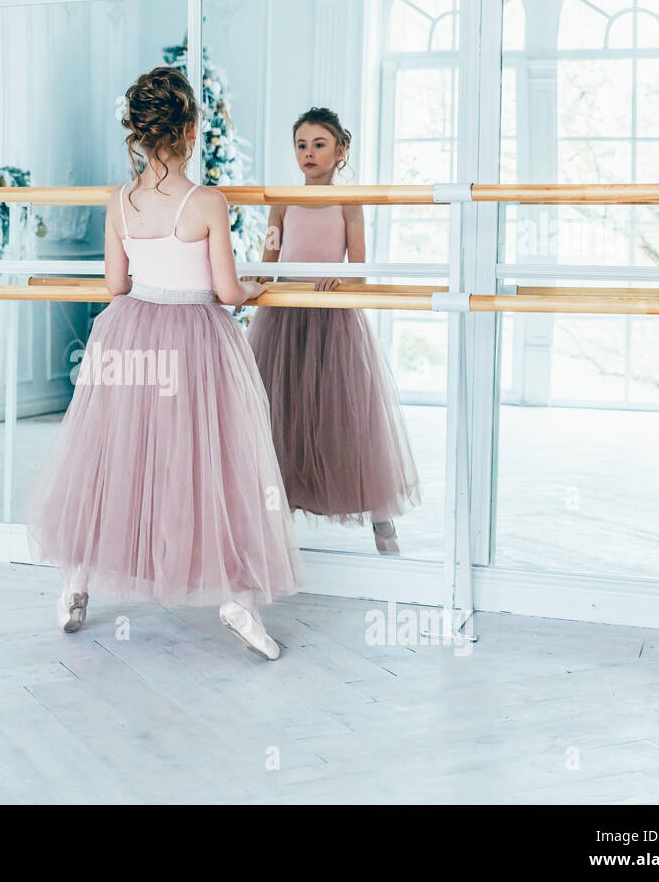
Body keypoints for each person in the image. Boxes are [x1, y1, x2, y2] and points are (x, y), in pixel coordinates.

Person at [26, 66, 304, 660]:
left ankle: (75, 585)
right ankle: (235, 600)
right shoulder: (206, 201)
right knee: (214, 463)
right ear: (189, 132)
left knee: (112, 458)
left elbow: (114, 283)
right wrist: (254, 288)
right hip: (194, 338)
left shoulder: (119, 201)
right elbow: (228, 292)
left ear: (141, 132)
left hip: (130, 333)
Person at [246, 107, 421, 554]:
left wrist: (338, 280)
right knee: (277, 413)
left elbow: (359, 272)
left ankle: (380, 519)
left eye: (318, 144)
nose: (308, 153)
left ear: (339, 150)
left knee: (346, 416)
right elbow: (269, 260)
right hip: (285, 319)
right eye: (301, 145)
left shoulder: (350, 202)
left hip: (332, 320)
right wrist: (256, 285)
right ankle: (270, 515)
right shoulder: (282, 200)